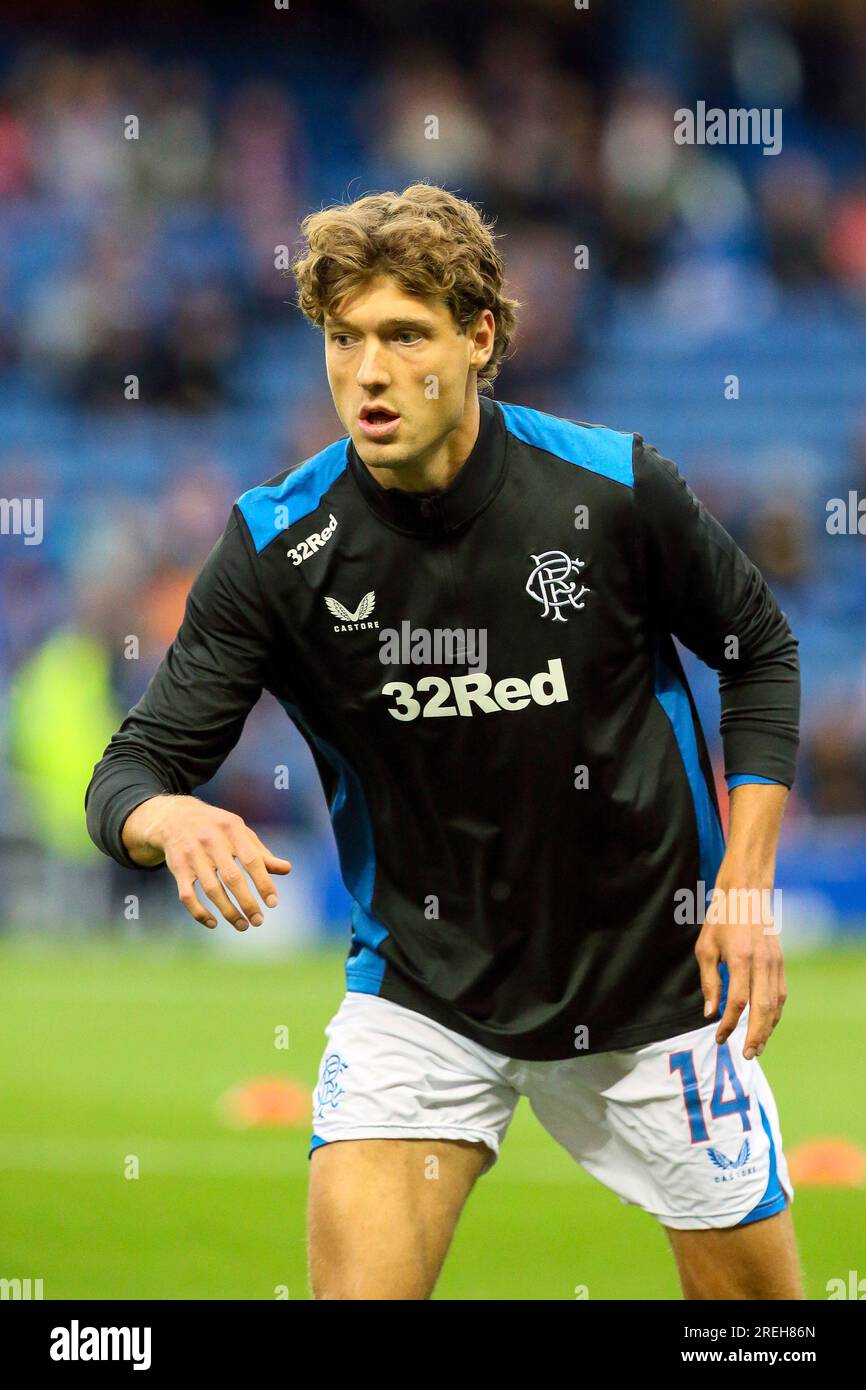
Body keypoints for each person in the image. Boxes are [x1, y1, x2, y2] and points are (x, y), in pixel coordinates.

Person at [85, 182, 803, 1301]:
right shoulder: (278, 547)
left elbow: (757, 650)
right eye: (342, 338)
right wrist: (165, 812)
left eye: (403, 335)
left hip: (654, 992)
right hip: (422, 1001)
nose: (366, 372)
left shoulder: (609, 489)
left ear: (477, 339)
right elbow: (129, 770)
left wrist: (745, 890)